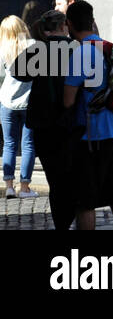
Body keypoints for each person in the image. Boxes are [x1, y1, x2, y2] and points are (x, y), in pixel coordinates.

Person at [62, 1, 113, 230]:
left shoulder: (81, 53)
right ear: (92, 21)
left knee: (85, 199)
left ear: (69, 24)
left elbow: (68, 101)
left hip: (92, 136)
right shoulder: (108, 47)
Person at [19, 11, 76, 227]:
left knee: (55, 179)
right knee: (69, 176)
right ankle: (69, 219)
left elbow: (18, 72)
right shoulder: (75, 48)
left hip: (43, 123)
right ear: (64, 26)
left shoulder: (39, 50)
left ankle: (61, 222)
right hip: (69, 123)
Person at [0, 16, 37, 199]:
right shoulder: (33, 45)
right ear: (23, 26)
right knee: (28, 145)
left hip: (7, 101)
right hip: (30, 103)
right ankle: (24, 187)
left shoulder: (2, 48)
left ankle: (8, 187)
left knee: (9, 144)